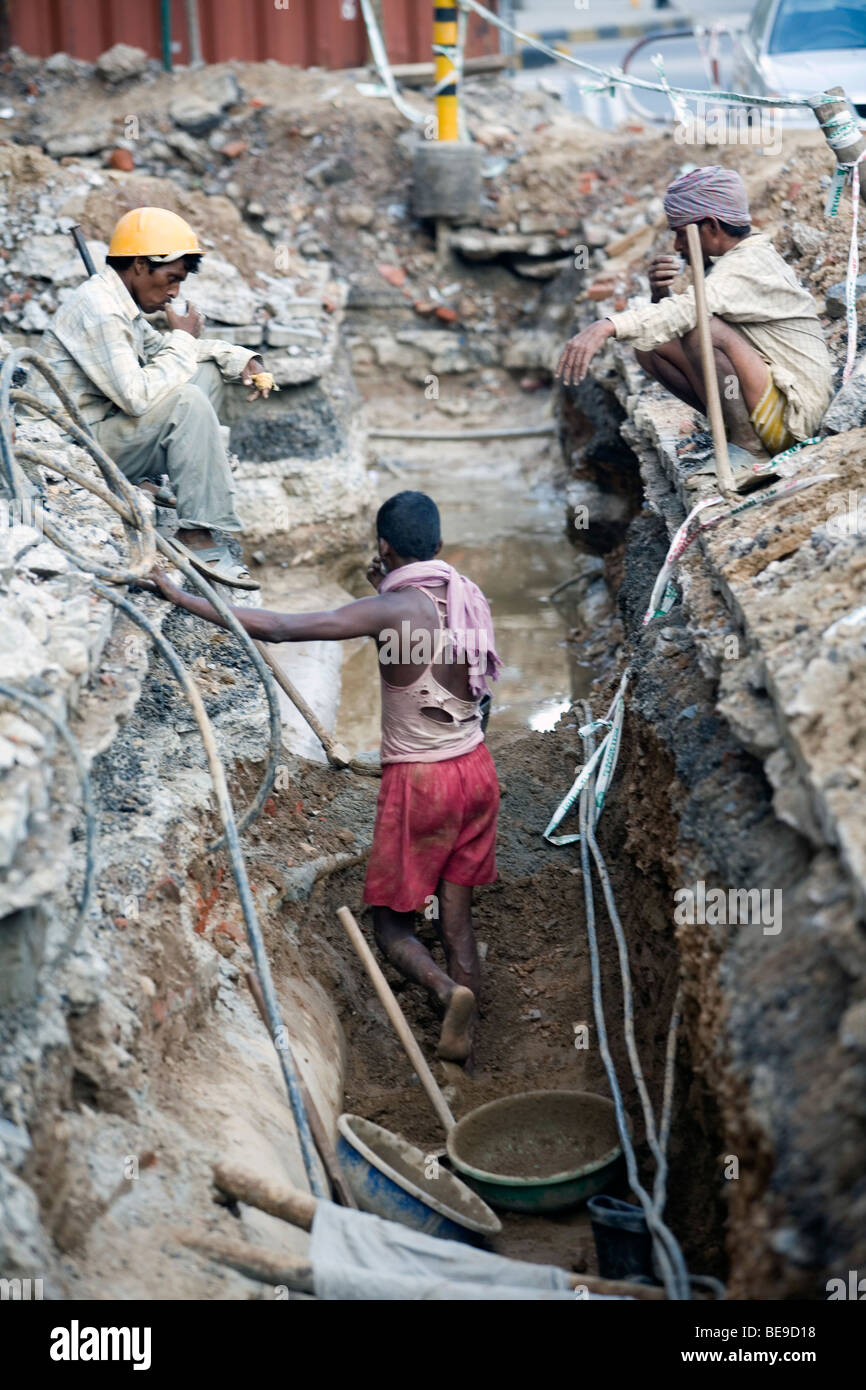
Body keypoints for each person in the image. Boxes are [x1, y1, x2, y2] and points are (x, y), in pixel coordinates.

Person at [148, 490, 501, 1065]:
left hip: (422, 783)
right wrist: (385, 582)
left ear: (384, 548)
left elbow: (283, 629)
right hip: (475, 771)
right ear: (436, 545)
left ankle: (444, 991)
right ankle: (470, 1051)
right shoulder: (464, 595)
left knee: (390, 924)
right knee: (456, 919)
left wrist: (183, 597)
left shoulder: (391, 610)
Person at [31, 207, 273, 589]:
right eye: (171, 278)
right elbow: (138, 398)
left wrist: (242, 359)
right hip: (70, 451)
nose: (175, 292)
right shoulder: (101, 309)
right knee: (186, 400)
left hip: (99, 431)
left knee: (203, 372)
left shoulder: (119, 302)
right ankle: (197, 534)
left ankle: (154, 481)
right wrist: (183, 338)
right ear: (141, 265)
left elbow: (169, 354)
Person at [556, 166, 833, 468]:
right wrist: (660, 293)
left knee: (701, 327)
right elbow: (674, 325)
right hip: (773, 406)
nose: (677, 246)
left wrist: (607, 326)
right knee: (650, 348)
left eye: (681, 232)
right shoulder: (732, 261)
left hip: (796, 420)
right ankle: (731, 431)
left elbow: (690, 314)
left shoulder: (747, 265)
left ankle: (747, 446)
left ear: (711, 227)